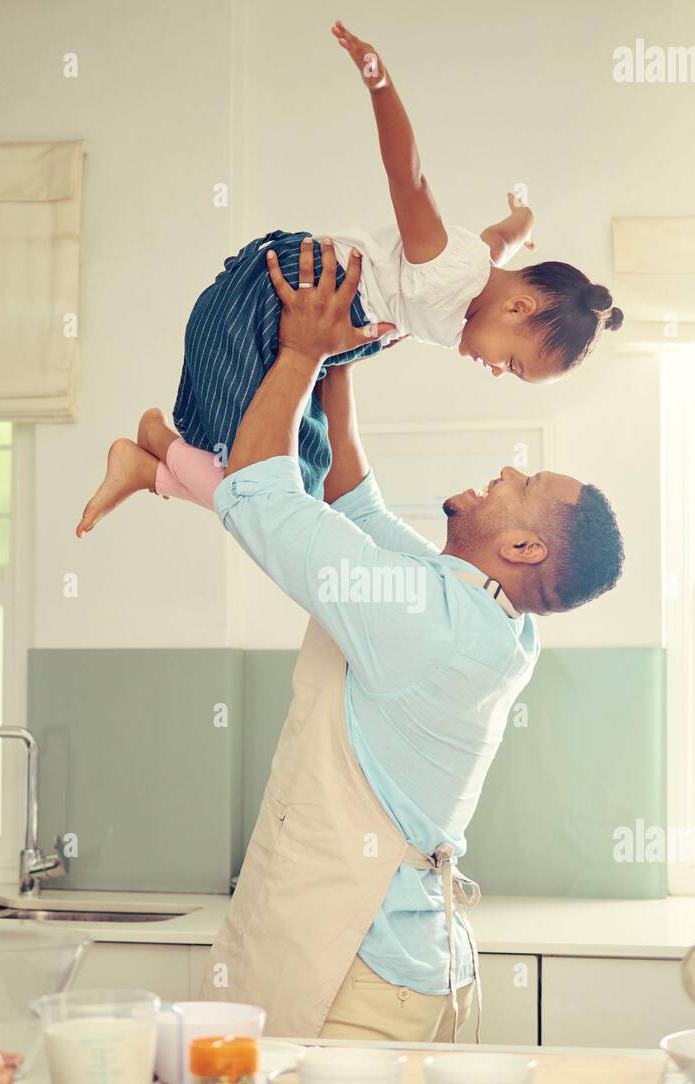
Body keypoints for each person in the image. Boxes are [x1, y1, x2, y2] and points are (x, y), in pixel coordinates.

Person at [193, 237, 625, 1041]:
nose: (505, 471)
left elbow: (258, 493)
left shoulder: (429, 626)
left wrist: (297, 351)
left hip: (356, 975)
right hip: (414, 967)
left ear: (526, 549)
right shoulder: (483, 618)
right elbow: (352, 502)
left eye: (522, 486)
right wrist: (340, 358)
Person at [75, 20, 622, 536]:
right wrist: (379, 85)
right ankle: (154, 451)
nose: (498, 371)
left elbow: (503, 234)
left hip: (313, 331)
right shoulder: (444, 267)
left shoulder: (482, 271)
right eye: (514, 363)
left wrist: (526, 220)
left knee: (302, 485)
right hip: (280, 298)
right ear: (519, 309)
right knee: (255, 480)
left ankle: (145, 466)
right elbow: (407, 179)